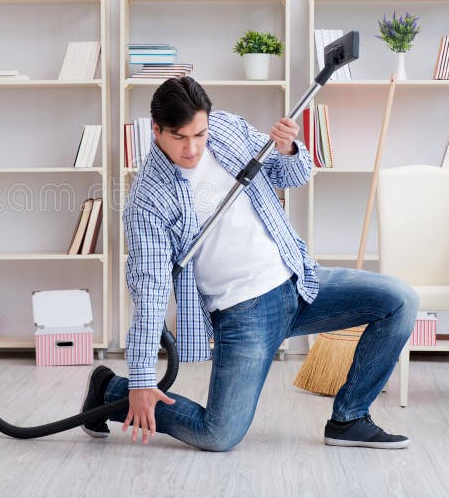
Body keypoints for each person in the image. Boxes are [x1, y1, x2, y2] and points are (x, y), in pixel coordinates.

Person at [81, 76, 418, 451]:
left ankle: (349, 418)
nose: (192, 148)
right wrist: (141, 382)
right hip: (244, 314)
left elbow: (291, 175)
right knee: (219, 435)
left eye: (199, 133)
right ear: (156, 129)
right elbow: (151, 289)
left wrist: (288, 149)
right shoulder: (147, 201)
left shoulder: (227, 128)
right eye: (179, 137)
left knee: (400, 300)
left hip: (299, 282)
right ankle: (109, 390)